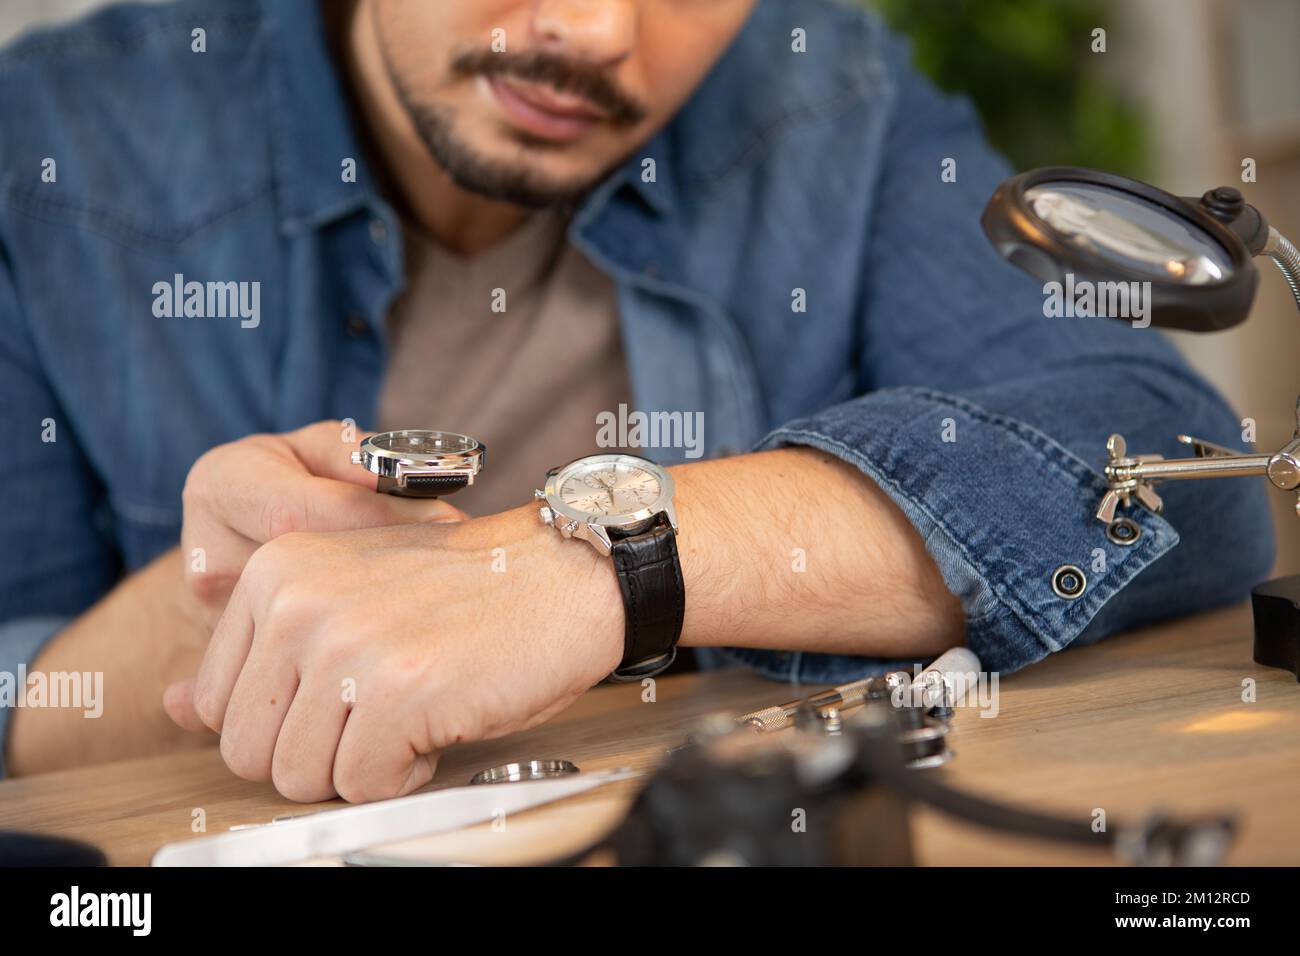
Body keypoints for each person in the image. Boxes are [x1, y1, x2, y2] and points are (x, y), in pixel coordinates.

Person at [0, 0, 1273, 800]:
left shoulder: (830, 94)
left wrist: (598, 569)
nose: (601, 31)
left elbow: (1175, 472)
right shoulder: (52, 141)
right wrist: (216, 595)